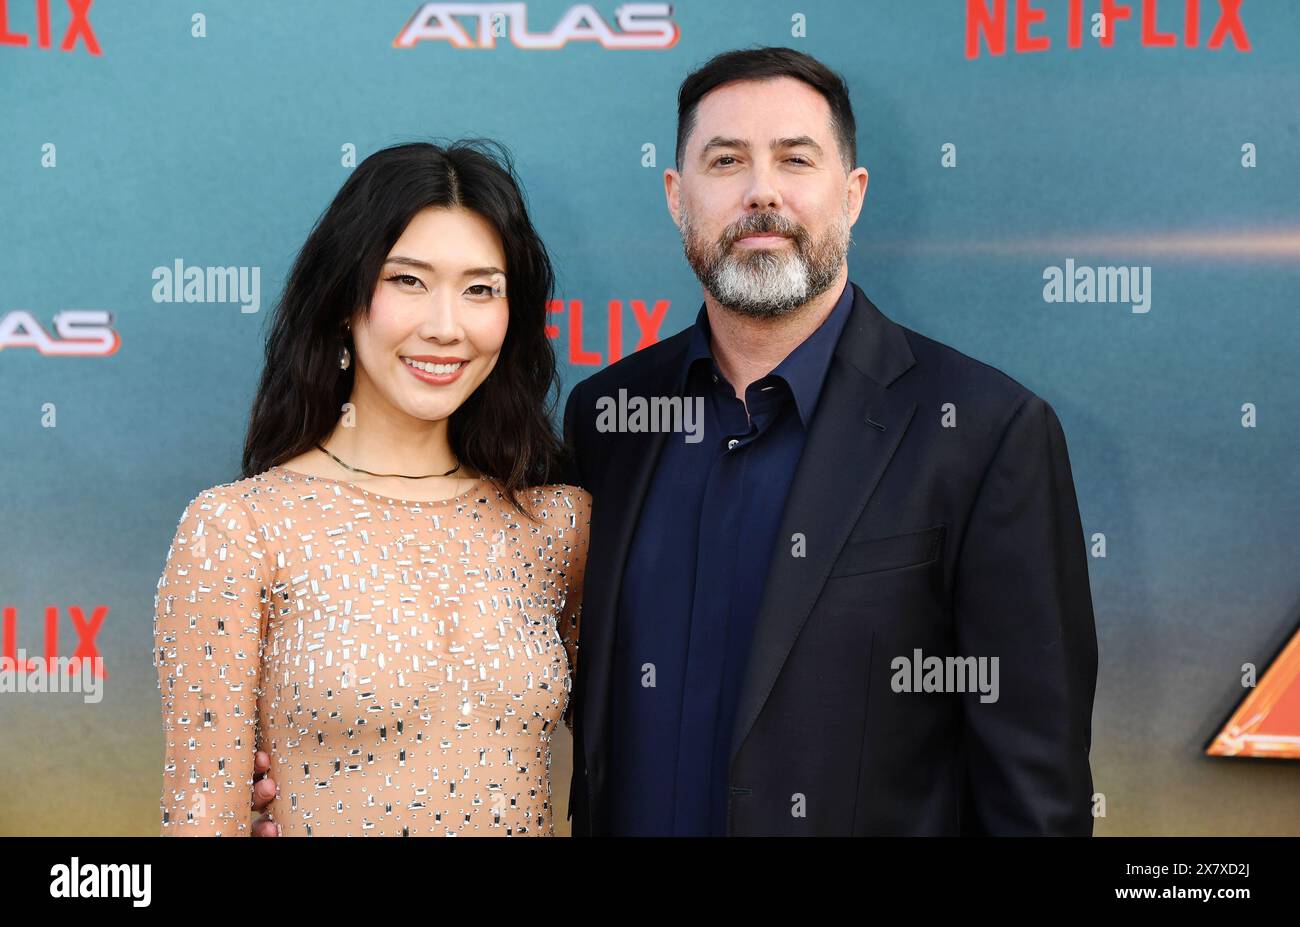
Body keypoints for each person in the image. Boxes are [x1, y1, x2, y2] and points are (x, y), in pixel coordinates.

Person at [558, 47, 1098, 835]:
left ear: (852, 195)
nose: (761, 191)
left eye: (795, 159)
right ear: (677, 197)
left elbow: (1035, 795)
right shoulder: (609, 416)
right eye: (726, 160)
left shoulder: (987, 433)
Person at [153, 140, 590, 836]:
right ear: (341, 301)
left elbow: (647, 748)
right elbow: (202, 818)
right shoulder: (239, 530)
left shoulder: (558, 525)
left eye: (481, 288)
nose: (445, 326)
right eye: (407, 281)